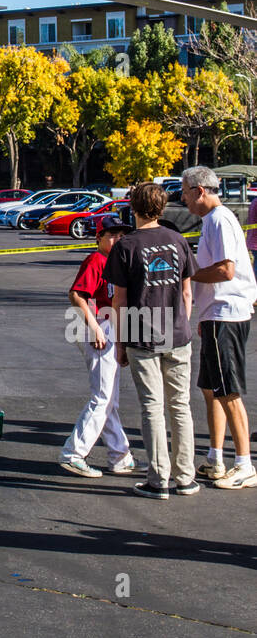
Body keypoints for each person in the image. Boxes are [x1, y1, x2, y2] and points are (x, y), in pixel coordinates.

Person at [104, 181, 199, 499]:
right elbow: (187, 292)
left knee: (152, 408)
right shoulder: (177, 240)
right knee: (180, 406)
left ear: (132, 208)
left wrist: (120, 342)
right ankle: (185, 477)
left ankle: (159, 479)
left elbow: (119, 300)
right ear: (162, 208)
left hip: (141, 336)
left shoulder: (126, 246)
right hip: (177, 335)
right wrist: (182, 324)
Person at [182, 166, 257, 490]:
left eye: (185, 192)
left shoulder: (221, 219)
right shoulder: (213, 220)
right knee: (211, 389)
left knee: (228, 390)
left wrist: (188, 273)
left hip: (227, 312)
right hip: (215, 314)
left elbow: (227, 270)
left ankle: (244, 464)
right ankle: (215, 457)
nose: (183, 199)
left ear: (199, 190)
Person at [58, 216, 144, 478]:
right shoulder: (96, 260)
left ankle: (119, 456)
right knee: (103, 398)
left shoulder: (117, 262)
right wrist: (94, 326)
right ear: (99, 238)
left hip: (113, 329)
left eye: (121, 234)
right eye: (111, 235)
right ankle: (73, 453)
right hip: (101, 330)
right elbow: (77, 294)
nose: (117, 239)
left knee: (109, 400)